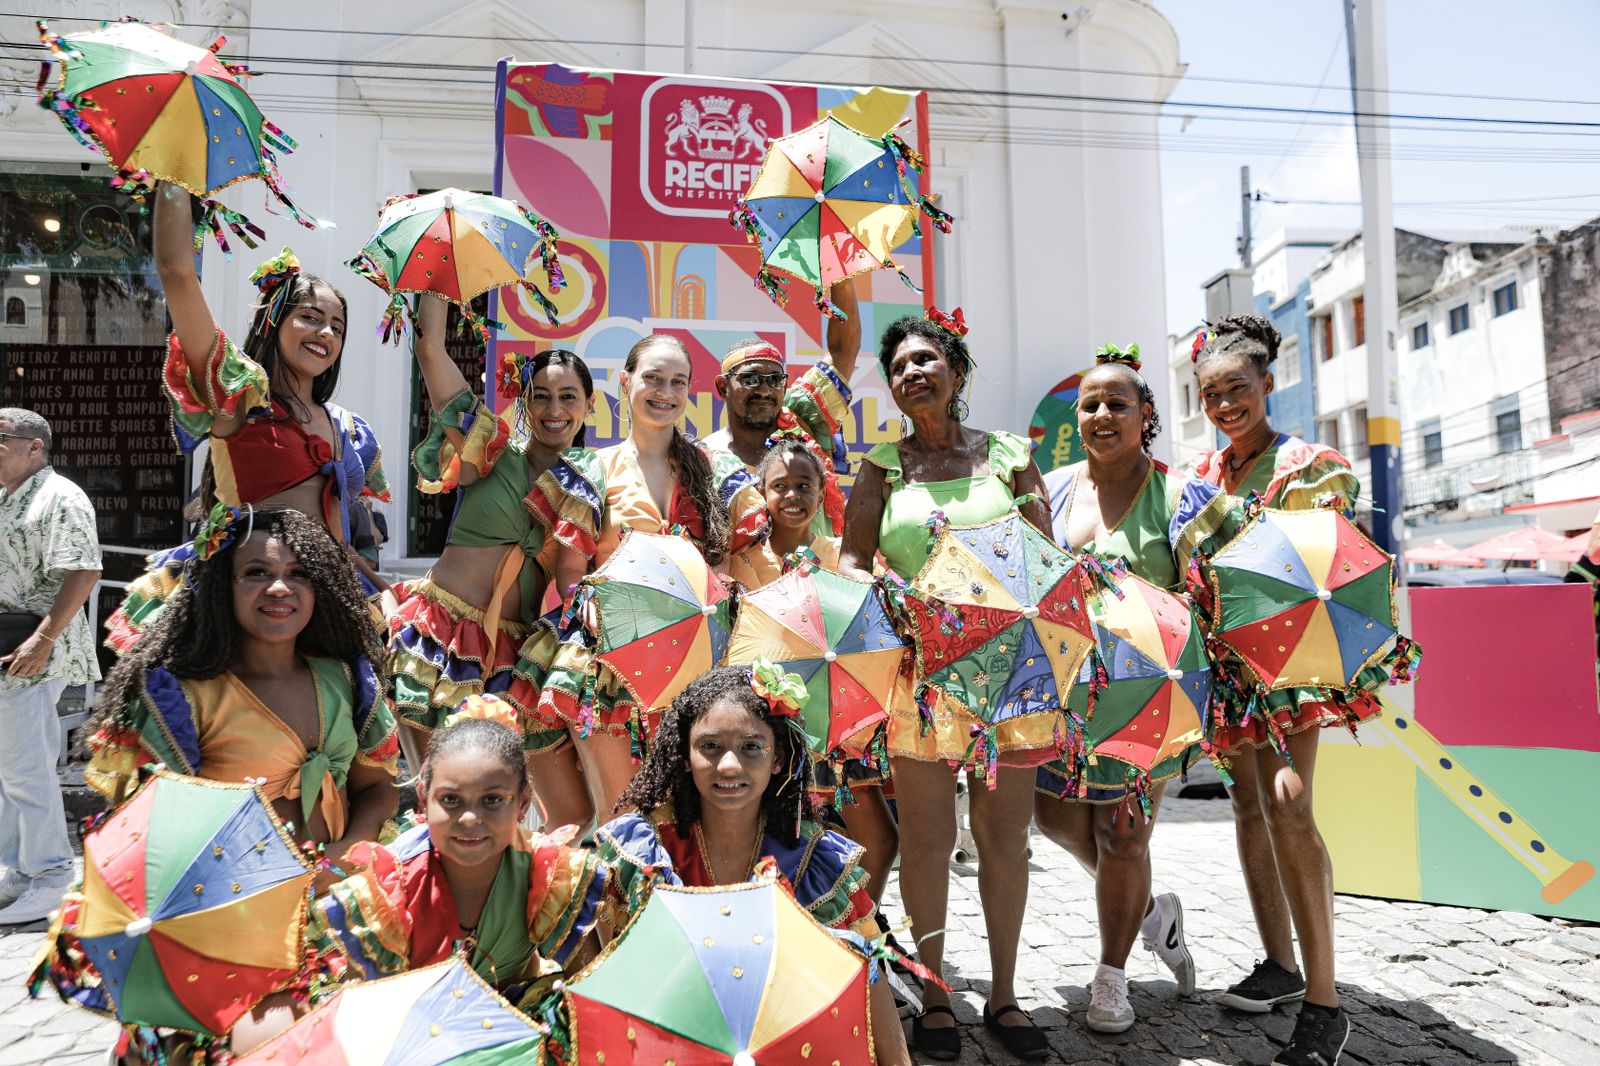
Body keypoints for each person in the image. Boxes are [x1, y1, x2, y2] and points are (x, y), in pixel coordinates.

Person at [838, 313, 1052, 1061]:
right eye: (900, 367)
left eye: (927, 360)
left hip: (1010, 673)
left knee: (1005, 839)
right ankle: (935, 995)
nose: (913, 374)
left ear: (958, 373)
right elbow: (852, 562)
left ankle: (1003, 995)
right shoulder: (881, 467)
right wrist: (892, 594)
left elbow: (1045, 561)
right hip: (916, 677)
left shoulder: (1009, 457)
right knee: (926, 841)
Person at [1031, 346, 1234, 1034]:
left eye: (1118, 403)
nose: (1102, 414)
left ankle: (1112, 978)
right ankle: (1152, 914)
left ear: (1146, 416)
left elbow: (1217, 594)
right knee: (1054, 819)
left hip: (1148, 697)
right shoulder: (1054, 489)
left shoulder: (1180, 500)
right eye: (1090, 404)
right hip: (1063, 695)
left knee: (1122, 837)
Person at [1190, 313, 1370, 1066]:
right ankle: (1281, 965)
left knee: (1292, 807)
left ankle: (1326, 1007)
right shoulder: (1205, 473)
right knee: (1248, 804)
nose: (1227, 403)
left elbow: (1326, 564)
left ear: (1268, 383)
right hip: (1230, 667)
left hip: (1294, 664)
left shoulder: (1309, 463)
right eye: (1212, 394)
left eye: (1239, 388)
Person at [107, 182, 389, 650]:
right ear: (273, 322)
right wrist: (178, 176)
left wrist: (386, 591)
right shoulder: (239, 398)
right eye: (310, 317)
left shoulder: (344, 425)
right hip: (243, 598)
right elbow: (177, 272)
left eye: (337, 327)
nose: (325, 333)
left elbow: (336, 542)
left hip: (324, 600)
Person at [594, 663, 910, 1066]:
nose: (729, 765)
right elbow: (605, 973)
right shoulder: (642, 851)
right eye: (710, 746)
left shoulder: (815, 861)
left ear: (777, 757)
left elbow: (868, 975)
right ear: (685, 755)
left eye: (750, 747)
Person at [536, 334, 767, 817]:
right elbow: (571, 574)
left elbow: (719, 568)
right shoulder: (593, 469)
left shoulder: (712, 471)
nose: (665, 392)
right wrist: (595, 605)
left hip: (694, 663)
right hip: (609, 665)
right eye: (653, 379)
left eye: (677, 382)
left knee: (684, 819)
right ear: (625, 382)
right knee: (623, 816)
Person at [386, 293, 594, 829]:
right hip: (442, 638)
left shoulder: (591, 489)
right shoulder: (490, 449)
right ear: (524, 403)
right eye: (541, 396)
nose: (554, 410)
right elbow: (431, 351)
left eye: (568, 397)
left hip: (516, 655)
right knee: (437, 797)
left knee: (541, 810)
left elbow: (579, 581)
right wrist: (435, 281)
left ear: (589, 407)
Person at [85, 507, 399, 860]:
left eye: (298, 574)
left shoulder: (344, 678)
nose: (279, 587)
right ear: (223, 587)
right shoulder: (178, 698)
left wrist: (344, 855)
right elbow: (149, 834)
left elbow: (376, 789)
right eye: (256, 573)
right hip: (236, 905)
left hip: (339, 896)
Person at [309, 696, 606, 1009]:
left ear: (523, 803)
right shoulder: (389, 888)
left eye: (492, 800)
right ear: (423, 799)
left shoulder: (546, 872)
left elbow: (590, 992)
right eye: (450, 800)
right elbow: (369, 1014)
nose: (469, 819)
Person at [725, 437, 899, 910]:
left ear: (823, 492)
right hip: (767, 732)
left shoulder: (842, 556)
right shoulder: (739, 563)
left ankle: (860, 930)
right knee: (776, 847)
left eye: (804, 485)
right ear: (761, 492)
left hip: (838, 729)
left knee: (880, 841)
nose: (793, 496)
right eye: (780, 486)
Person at [0, 408, 101, 925]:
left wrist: (43, 638)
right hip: (9, 644)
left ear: (33, 447)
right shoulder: (7, 498)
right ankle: (18, 870)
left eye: (0, 438)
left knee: (25, 766)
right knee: (8, 768)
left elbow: (84, 570)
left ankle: (54, 873)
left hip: (36, 647)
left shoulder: (59, 496)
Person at [703, 278, 861, 537]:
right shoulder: (705, 459)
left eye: (775, 380)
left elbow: (843, 349)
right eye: (750, 379)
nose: (764, 390)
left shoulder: (801, 419)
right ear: (723, 387)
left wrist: (840, 270)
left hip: (817, 574)